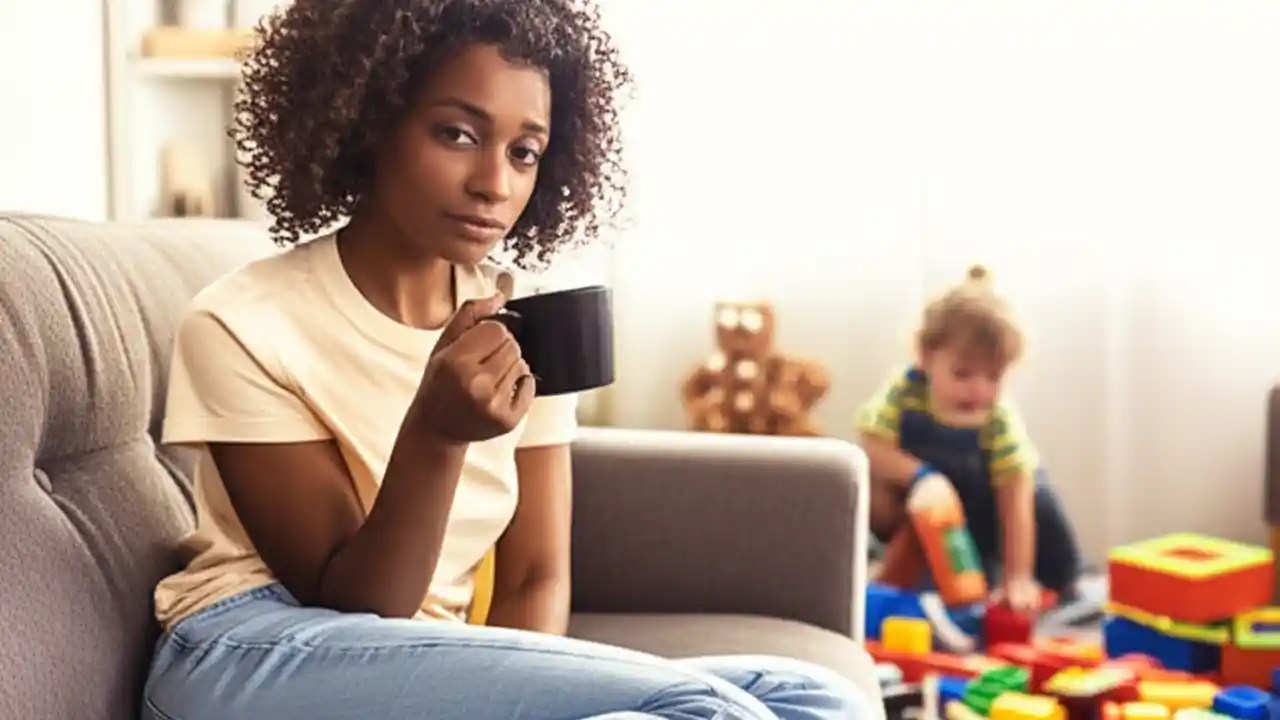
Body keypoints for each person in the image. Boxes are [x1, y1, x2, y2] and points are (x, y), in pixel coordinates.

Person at [140, 1, 874, 719]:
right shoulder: (241, 323)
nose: (495, 182)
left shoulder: (525, 323)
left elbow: (534, 575)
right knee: (709, 709)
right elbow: (358, 604)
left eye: (524, 151)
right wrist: (438, 433)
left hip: (429, 658)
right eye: (457, 134)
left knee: (814, 697)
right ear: (369, 122)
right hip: (249, 653)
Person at [855, 265, 1083, 614]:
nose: (979, 390)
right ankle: (896, 571)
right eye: (962, 374)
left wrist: (1017, 575)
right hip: (934, 506)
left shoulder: (998, 420)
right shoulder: (906, 390)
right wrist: (922, 476)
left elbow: (1015, 497)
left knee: (1042, 519)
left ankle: (1049, 579)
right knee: (870, 482)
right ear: (927, 357)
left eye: (993, 377)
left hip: (998, 510)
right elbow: (873, 444)